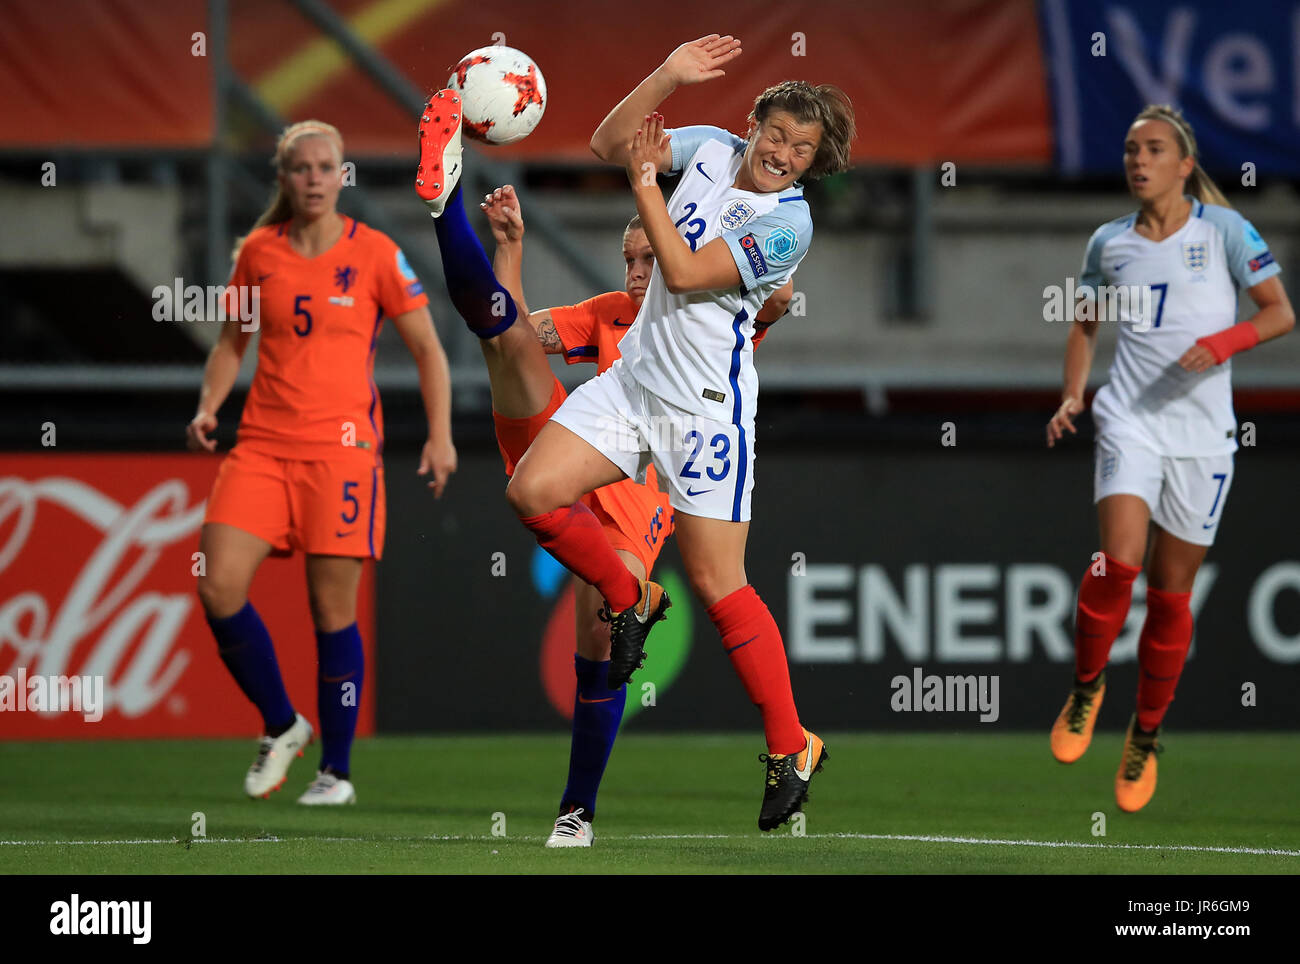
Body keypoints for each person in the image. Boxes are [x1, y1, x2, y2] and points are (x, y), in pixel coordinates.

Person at [416, 33, 854, 830]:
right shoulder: (716, 147)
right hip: (635, 383)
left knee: (723, 587)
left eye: (802, 146)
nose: (784, 152)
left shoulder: (789, 226)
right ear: (754, 122)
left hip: (706, 411)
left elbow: (682, 273)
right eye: (777, 132)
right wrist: (667, 77)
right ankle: (631, 596)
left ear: (814, 162)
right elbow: (606, 141)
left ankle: (791, 745)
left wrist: (645, 180)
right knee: (532, 490)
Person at [458, 183, 788, 845]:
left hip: (641, 492)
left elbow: (776, 297)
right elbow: (511, 333)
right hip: (584, 457)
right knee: (600, 589)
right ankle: (629, 606)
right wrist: (511, 246)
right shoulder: (607, 313)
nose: (637, 275)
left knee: (603, 643)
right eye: (629, 261)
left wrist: (742, 237)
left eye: (649, 261)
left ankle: (577, 809)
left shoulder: (709, 310)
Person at [190, 119, 456, 805]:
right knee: (218, 585)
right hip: (262, 446)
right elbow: (230, 342)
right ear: (282, 178)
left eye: (325, 166)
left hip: (343, 454)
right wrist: (209, 404)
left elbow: (429, 349)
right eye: (300, 168)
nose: (313, 178)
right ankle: (282, 724)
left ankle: (335, 771)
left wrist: (440, 435)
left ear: (343, 175)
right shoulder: (257, 252)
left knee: (330, 611)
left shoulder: (374, 254)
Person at [1046, 104, 1293, 812]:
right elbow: (1084, 325)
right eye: (1129, 149)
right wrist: (1072, 393)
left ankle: (1145, 733)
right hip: (1131, 420)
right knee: (1117, 564)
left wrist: (1224, 343)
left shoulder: (1224, 232)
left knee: (1170, 596)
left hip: (1204, 437)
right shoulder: (1109, 242)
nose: (1137, 159)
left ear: (1184, 165)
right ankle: (1088, 686)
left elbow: (1280, 311)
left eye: (1153, 149)